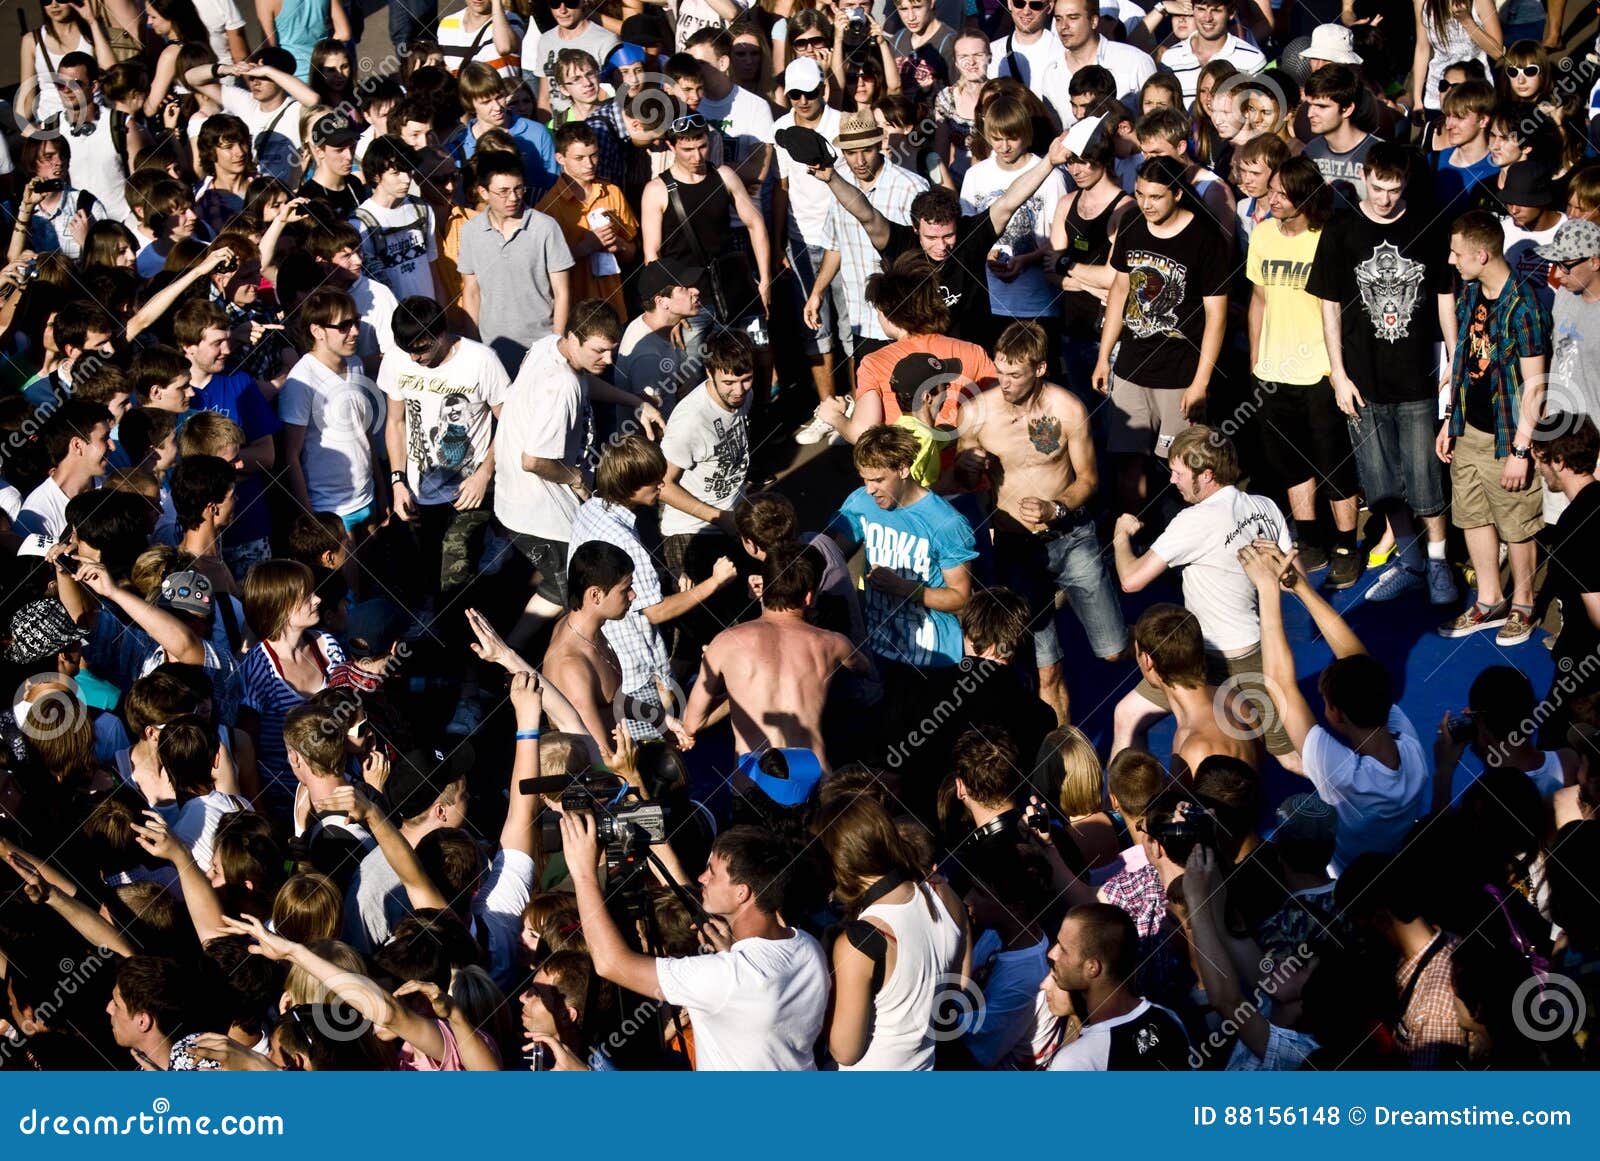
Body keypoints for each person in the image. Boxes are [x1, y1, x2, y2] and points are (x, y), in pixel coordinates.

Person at [1310, 141, 1460, 607]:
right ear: (1365, 178)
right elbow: (1328, 303)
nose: (1384, 199)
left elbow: (1443, 296)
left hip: (1417, 376)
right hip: (1361, 379)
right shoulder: (1341, 228)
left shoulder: (1428, 226)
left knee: (1425, 479)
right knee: (1379, 484)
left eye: (1394, 190)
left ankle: (1437, 562)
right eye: (1377, 188)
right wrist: (1338, 373)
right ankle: (1411, 558)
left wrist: (1453, 361)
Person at [562, 816, 830, 1071]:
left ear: (742, 892)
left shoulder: (726, 977)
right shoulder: (807, 947)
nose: (702, 878)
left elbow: (611, 963)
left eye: (711, 873)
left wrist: (584, 874)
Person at [957, 321, 1125, 725]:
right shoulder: (977, 411)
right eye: (1000, 371)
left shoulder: (1068, 409)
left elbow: (1088, 479)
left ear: (1041, 369)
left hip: (1072, 538)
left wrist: (1056, 508)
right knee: (1045, 669)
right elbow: (962, 483)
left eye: (1015, 374)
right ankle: (1059, 759)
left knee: (1114, 650)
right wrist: (966, 465)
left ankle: (1154, 639)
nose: (1005, 381)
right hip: (1016, 550)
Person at [1111, 426, 1296, 763]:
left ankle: (1367, 797)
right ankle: (1128, 805)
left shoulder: (1193, 521)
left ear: (1206, 475)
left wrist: (1120, 536)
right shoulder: (1264, 505)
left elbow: (1131, 580)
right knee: (1126, 715)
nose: (1172, 481)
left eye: (1178, 473)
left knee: (1289, 756)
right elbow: (1290, 579)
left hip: (1238, 661)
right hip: (1201, 656)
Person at [1242, 541, 1430, 874]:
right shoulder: (1410, 746)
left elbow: (1281, 686)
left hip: (1347, 879)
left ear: (1335, 715)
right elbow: (1358, 663)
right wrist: (1300, 587)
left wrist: (1268, 591)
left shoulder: (1344, 774)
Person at [569, 436, 738, 739]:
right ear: (629, 487)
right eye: (655, 483)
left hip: (607, 651)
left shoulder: (592, 508)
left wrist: (667, 580)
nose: (662, 486)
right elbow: (656, 613)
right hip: (636, 668)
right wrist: (713, 582)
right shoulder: (625, 541)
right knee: (656, 747)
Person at [1248, 157, 1362, 587]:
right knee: (1290, 464)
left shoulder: (1327, 238)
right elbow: (1258, 298)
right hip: (1273, 371)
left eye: (1282, 194)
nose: (1272, 199)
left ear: (1305, 198)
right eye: (1271, 190)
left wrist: (1340, 371)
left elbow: (1343, 309)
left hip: (1319, 371)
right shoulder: (1260, 233)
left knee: (1334, 464)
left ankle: (1347, 545)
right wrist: (1256, 360)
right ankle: (1310, 540)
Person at [1437, 210, 1550, 645]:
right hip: (1468, 430)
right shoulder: (1470, 293)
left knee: (1517, 523)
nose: (1452, 260)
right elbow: (1465, 363)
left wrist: (1522, 450)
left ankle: (1523, 604)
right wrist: (1450, 420)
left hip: (1507, 438)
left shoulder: (1524, 309)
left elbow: (1536, 386)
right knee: (1472, 517)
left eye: (1457, 253)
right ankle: (1489, 600)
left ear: (1481, 255)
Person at [379, 296, 508, 670]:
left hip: (470, 487)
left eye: (422, 349)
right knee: (430, 576)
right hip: (419, 489)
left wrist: (485, 473)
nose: (416, 358)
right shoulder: (397, 360)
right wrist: (398, 480)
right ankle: (440, 661)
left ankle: (471, 671)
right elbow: (395, 422)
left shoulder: (481, 361)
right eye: (409, 351)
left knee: (455, 576)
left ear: (442, 333)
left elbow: (510, 421)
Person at [1094, 156, 1229, 514]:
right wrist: (1103, 356)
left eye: (1155, 196)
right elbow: (1120, 291)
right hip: (1130, 366)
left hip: (1179, 373)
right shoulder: (1132, 222)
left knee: (1182, 468)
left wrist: (1201, 381)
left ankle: (1183, 543)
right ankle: (1132, 536)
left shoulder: (1205, 237)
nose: (1146, 204)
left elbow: (1216, 316)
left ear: (1178, 194)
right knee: (1128, 460)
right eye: (1140, 194)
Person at [493, 299, 632, 643]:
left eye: (611, 351)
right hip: (539, 511)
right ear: (573, 338)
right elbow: (534, 460)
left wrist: (634, 401)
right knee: (569, 587)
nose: (609, 360)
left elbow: (587, 382)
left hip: (518, 499)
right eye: (600, 351)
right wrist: (576, 478)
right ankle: (514, 654)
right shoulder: (562, 386)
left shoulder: (547, 347)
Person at [815, 793, 969, 1069]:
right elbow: (954, 986)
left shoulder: (858, 941)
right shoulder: (943, 892)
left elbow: (844, 1051)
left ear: (838, 863)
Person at [681, 543, 869, 768]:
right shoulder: (833, 643)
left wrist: (737, 688)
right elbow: (863, 668)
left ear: (763, 586)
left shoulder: (724, 643)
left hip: (753, 783)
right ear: (808, 597)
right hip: (811, 778)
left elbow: (692, 724)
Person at [826, 425, 976, 673]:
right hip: (877, 648)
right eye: (864, 479)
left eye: (878, 480)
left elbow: (961, 600)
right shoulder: (862, 501)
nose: (869, 489)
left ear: (904, 469)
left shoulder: (946, 523)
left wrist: (903, 588)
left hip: (931, 660)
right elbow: (832, 551)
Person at [457, 150, 575, 376]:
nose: (513, 198)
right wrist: (474, 345)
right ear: (483, 192)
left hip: (541, 345)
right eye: (503, 191)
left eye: (518, 189)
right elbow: (471, 292)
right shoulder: (470, 231)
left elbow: (562, 292)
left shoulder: (546, 227)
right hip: (491, 349)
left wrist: (555, 345)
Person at [1038, 903, 1192, 1070]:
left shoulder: (1075, 1062)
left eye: (1063, 949)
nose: (1052, 954)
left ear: (1092, 968)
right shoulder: (1169, 1019)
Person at [278, 288, 381, 534]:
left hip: (368, 496)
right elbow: (291, 455)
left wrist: (382, 491)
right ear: (317, 331)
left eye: (356, 322)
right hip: (329, 509)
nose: (355, 331)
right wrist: (310, 518)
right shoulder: (301, 381)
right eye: (344, 326)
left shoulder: (355, 364)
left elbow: (364, 432)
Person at [1529, 414, 1600, 744]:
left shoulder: (1575, 526)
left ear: (1558, 460)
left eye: (1541, 460)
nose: (1540, 470)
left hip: (1585, 669)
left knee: (1555, 742)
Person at [15, 401, 115, 540]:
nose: (113, 446)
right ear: (77, 445)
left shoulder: (113, 488)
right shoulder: (36, 515)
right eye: (105, 438)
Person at [1152, 0, 1263, 102]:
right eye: (1201, 9)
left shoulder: (1253, 60)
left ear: (1231, 13)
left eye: (1216, 10)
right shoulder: (1170, 59)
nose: (1207, 18)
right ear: (1193, 10)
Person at [1302, 64, 1377, 206]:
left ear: (1347, 109)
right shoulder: (1310, 152)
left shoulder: (1379, 154)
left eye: (1322, 106)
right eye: (1310, 105)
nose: (1310, 114)